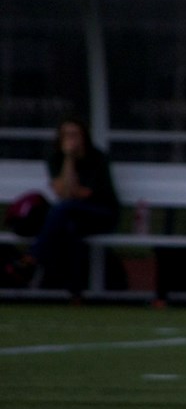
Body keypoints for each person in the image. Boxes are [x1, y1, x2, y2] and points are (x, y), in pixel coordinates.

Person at [32, 117, 121, 300]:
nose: (71, 139)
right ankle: (76, 291)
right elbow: (65, 192)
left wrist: (71, 190)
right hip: (74, 215)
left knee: (63, 209)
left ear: (84, 136)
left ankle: (34, 256)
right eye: (66, 135)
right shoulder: (57, 158)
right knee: (70, 228)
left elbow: (82, 194)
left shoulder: (97, 158)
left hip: (101, 213)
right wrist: (68, 159)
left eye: (75, 134)